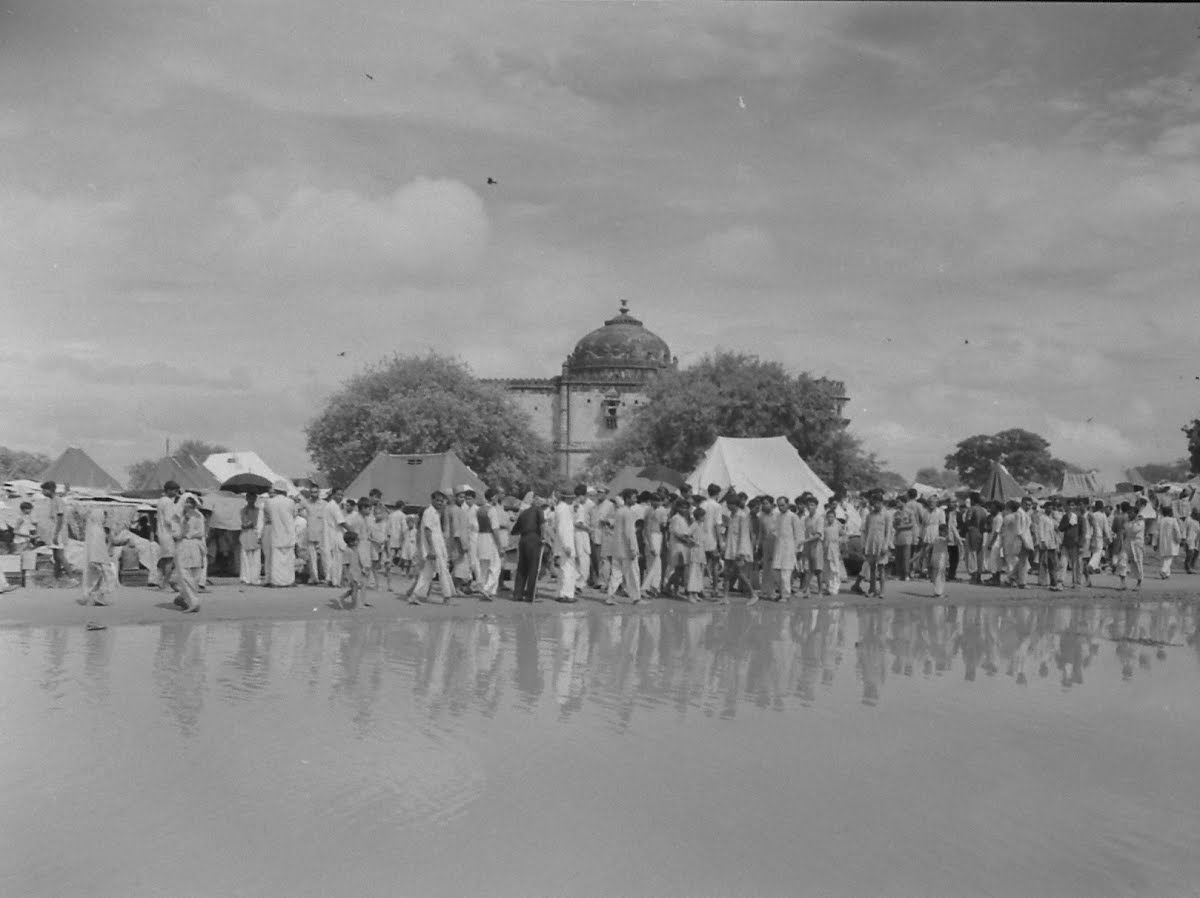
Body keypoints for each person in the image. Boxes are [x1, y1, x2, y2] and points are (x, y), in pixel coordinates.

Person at [411, 491, 454, 604]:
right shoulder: (429, 512)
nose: (440, 503)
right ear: (432, 500)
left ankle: (415, 595)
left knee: (427, 572)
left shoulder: (436, 513)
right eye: (438, 500)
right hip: (434, 546)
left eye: (441, 501)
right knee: (442, 570)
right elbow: (427, 531)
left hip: (438, 545)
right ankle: (447, 596)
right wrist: (432, 549)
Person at [607, 488, 643, 606]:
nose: (635, 500)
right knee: (633, 574)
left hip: (617, 547)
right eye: (634, 498)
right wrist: (633, 549)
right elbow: (629, 533)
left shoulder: (618, 511)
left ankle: (610, 596)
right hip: (627, 549)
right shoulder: (628, 513)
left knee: (616, 574)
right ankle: (636, 598)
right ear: (627, 499)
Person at [510, 493, 546, 603]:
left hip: (523, 539)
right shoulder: (538, 510)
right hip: (533, 538)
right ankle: (530, 595)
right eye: (539, 499)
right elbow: (542, 525)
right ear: (535, 500)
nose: (540, 501)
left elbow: (514, 530)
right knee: (533, 567)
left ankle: (518, 594)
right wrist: (543, 537)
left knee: (522, 567)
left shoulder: (524, 513)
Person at [175, 494, 206, 612]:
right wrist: (184, 523)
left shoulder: (199, 516)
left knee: (195, 574)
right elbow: (176, 533)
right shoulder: (177, 516)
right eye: (186, 502)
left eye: (191, 502)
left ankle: (184, 597)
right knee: (184, 573)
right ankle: (192, 601)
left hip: (195, 545)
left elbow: (201, 532)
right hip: (182, 545)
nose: (189, 504)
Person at [261, 482, 297, 587]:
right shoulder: (291, 502)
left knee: (276, 559)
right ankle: (289, 581)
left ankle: (276, 581)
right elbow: (294, 514)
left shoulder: (269, 502)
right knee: (289, 559)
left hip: (276, 532)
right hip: (289, 533)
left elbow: (267, 516)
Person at [722, 492, 755, 604]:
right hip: (730, 547)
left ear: (735, 504)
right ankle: (725, 597)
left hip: (738, 549)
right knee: (727, 573)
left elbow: (744, 535)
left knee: (740, 573)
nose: (728, 507)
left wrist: (740, 552)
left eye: (730, 504)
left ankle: (753, 595)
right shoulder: (731, 515)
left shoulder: (742, 516)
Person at [81, 507, 115, 606]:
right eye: (104, 517)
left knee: (96, 580)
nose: (105, 519)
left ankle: (95, 598)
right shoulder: (97, 531)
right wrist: (95, 560)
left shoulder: (95, 529)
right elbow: (95, 546)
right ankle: (96, 597)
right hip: (97, 559)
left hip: (97, 559)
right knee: (103, 578)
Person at [862, 495, 894, 598]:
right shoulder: (869, 515)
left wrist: (885, 545)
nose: (875, 505)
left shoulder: (886, 515)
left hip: (881, 544)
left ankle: (882, 591)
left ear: (881, 502)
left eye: (877, 503)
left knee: (881, 568)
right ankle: (872, 589)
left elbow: (888, 532)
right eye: (874, 503)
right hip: (871, 544)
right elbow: (866, 531)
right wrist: (865, 545)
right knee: (872, 568)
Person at [772, 495, 802, 601]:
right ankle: (781, 592)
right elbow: (776, 532)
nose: (781, 507)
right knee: (776, 572)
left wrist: (797, 550)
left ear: (787, 504)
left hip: (789, 549)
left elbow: (798, 535)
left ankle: (786, 595)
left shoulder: (793, 516)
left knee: (785, 573)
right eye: (779, 506)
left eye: (783, 505)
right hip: (778, 548)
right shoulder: (778, 517)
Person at [153, 480, 182, 590]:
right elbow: (169, 520)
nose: (176, 493)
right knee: (170, 560)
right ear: (169, 490)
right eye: (175, 491)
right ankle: (165, 582)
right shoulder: (168, 502)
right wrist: (179, 527)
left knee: (165, 559)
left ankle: (159, 579)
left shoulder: (160, 501)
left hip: (161, 533)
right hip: (168, 533)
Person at [476, 489, 503, 600]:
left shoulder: (479, 509)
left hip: (480, 537)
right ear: (493, 497)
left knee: (484, 566)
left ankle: (484, 587)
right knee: (496, 566)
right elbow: (495, 529)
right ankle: (487, 588)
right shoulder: (492, 510)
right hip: (490, 538)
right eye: (496, 496)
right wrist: (500, 546)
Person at [554, 486, 579, 603]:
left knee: (564, 569)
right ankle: (567, 594)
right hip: (566, 543)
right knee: (568, 569)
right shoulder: (563, 509)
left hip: (563, 543)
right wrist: (566, 545)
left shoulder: (562, 508)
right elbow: (562, 528)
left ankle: (561, 593)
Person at [322, 488, 348, 588]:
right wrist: (353, 531)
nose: (340, 497)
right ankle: (335, 581)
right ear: (333, 495)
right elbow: (342, 522)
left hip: (331, 535)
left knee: (332, 559)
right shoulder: (334, 506)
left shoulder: (330, 505)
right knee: (337, 559)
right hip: (335, 535)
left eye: (342, 495)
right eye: (338, 494)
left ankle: (330, 579)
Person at [339, 531, 370, 609]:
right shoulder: (347, 551)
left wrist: (363, 568)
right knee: (355, 589)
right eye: (356, 540)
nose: (358, 541)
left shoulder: (356, 549)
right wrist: (346, 575)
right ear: (351, 542)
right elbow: (345, 564)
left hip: (358, 571)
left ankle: (342, 597)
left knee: (355, 589)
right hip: (351, 572)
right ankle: (354, 605)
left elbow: (359, 560)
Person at [238, 492, 263, 585]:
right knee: (245, 556)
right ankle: (246, 577)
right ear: (246, 499)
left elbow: (259, 523)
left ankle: (255, 577)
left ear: (255, 499)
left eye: (253, 498)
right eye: (249, 498)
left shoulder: (259, 511)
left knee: (256, 557)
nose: (251, 500)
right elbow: (243, 524)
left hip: (256, 533)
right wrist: (248, 523)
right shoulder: (243, 510)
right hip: (246, 533)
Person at [385, 500, 409, 592]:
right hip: (399, 538)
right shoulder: (403, 516)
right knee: (400, 556)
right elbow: (404, 529)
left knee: (391, 555)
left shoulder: (391, 515)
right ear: (402, 506)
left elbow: (387, 527)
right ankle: (400, 572)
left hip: (391, 537)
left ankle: (389, 564)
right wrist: (404, 540)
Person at [12, 501, 38, 588]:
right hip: (20, 542)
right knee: (20, 561)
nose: (30, 511)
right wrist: (29, 536)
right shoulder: (20, 518)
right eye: (29, 509)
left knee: (27, 561)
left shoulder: (26, 517)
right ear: (24, 509)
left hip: (26, 541)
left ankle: (25, 582)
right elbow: (15, 531)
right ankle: (19, 582)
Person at [1156, 506, 1182, 579]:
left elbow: (1156, 532)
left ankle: (1167, 574)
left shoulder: (1160, 520)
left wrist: (1154, 542)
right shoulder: (1173, 520)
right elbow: (1177, 530)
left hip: (1162, 541)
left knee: (1165, 557)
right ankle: (1163, 570)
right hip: (1171, 541)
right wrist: (1179, 538)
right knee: (1170, 557)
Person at [822, 506, 843, 595]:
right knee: (827, 569)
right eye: (829, 517)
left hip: (835, 551)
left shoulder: (837, 526)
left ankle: (835, 588)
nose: (830, 518)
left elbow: (844, 535)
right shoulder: (824, 527)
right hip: (826, 550)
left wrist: (839, 541)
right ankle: (829, 587)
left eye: (832, 517)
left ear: (834, 517)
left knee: (835, 569)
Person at [1182, 509, 1200, 575]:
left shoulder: (1197, 520)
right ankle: (1187, 567)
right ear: (1193, 513)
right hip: (1189, 539)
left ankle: (1192, 567)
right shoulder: (1188, 519)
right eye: (1197, 514)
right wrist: (1183, 538)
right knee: (1190, 553)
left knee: (1196, 553)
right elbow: (1184, 529)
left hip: (1196, 539)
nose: (1198, 515)